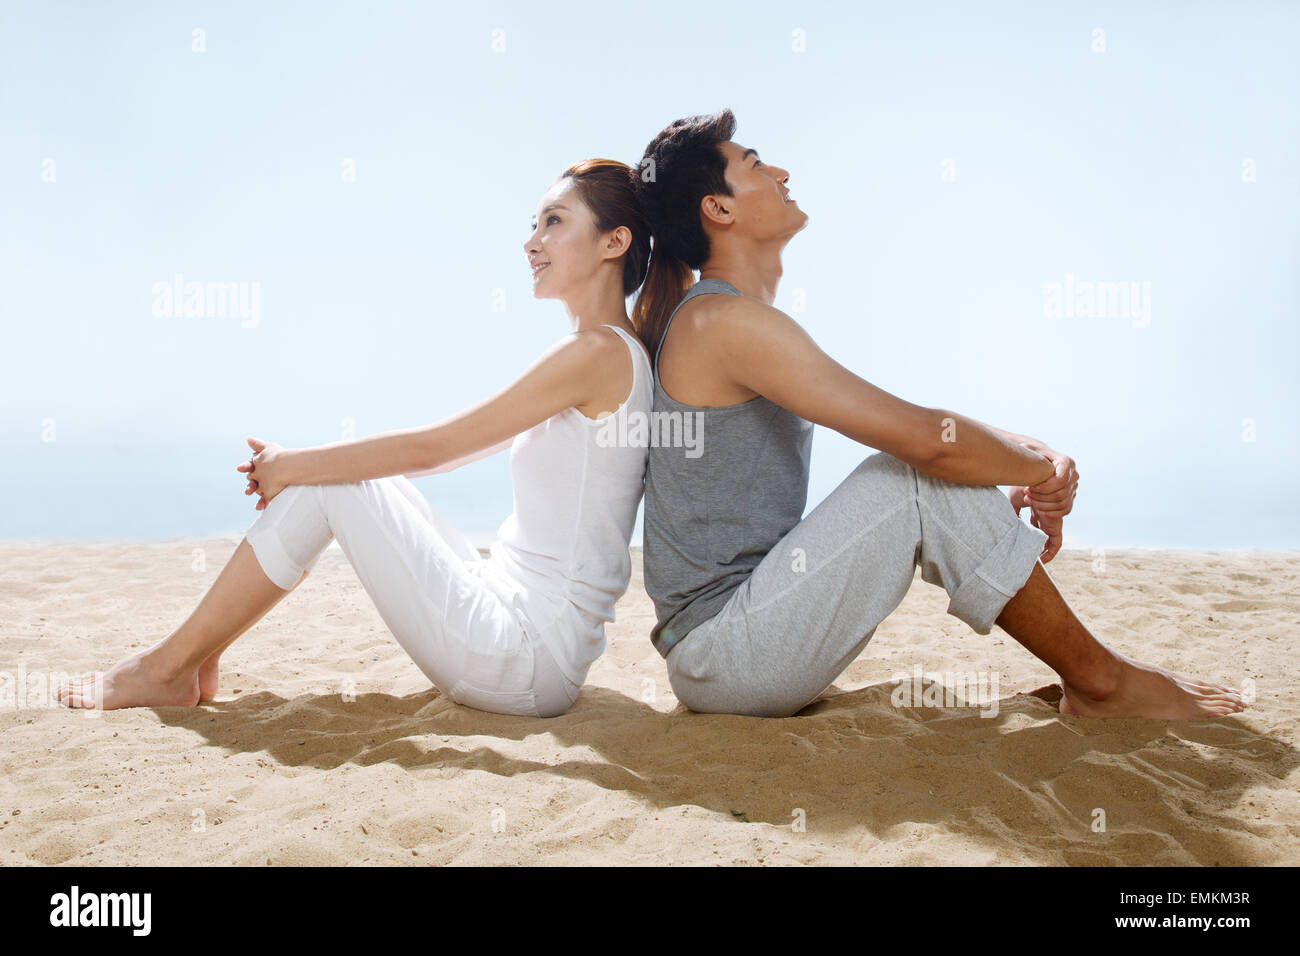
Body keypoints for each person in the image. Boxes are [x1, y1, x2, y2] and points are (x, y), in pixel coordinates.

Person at [633, 109, 1244, 721]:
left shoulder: (732, 318)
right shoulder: (722, 322)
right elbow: (930, 443)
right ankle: (1103, 683)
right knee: (914, 478)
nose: (782, 171)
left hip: (748, 639)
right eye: (756, 164)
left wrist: (1035, 455)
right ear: (720, 208)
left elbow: (921, 425)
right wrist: (1034, 472)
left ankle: (1101, 680)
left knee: (916, 469)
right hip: (724, 656)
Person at [57, 159, 655, 718]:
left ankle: (167, 668)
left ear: (614, 241)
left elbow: (437, 448)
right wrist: (299, 465)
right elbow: (457, 449)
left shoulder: (597, 354)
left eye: (554, 221)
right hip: (514, 614)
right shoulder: (606, 352)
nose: (531, 242)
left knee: (332, 484)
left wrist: (292, 465)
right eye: (534, 224)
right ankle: (197, 655)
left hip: (525, 655)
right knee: (346, 479)